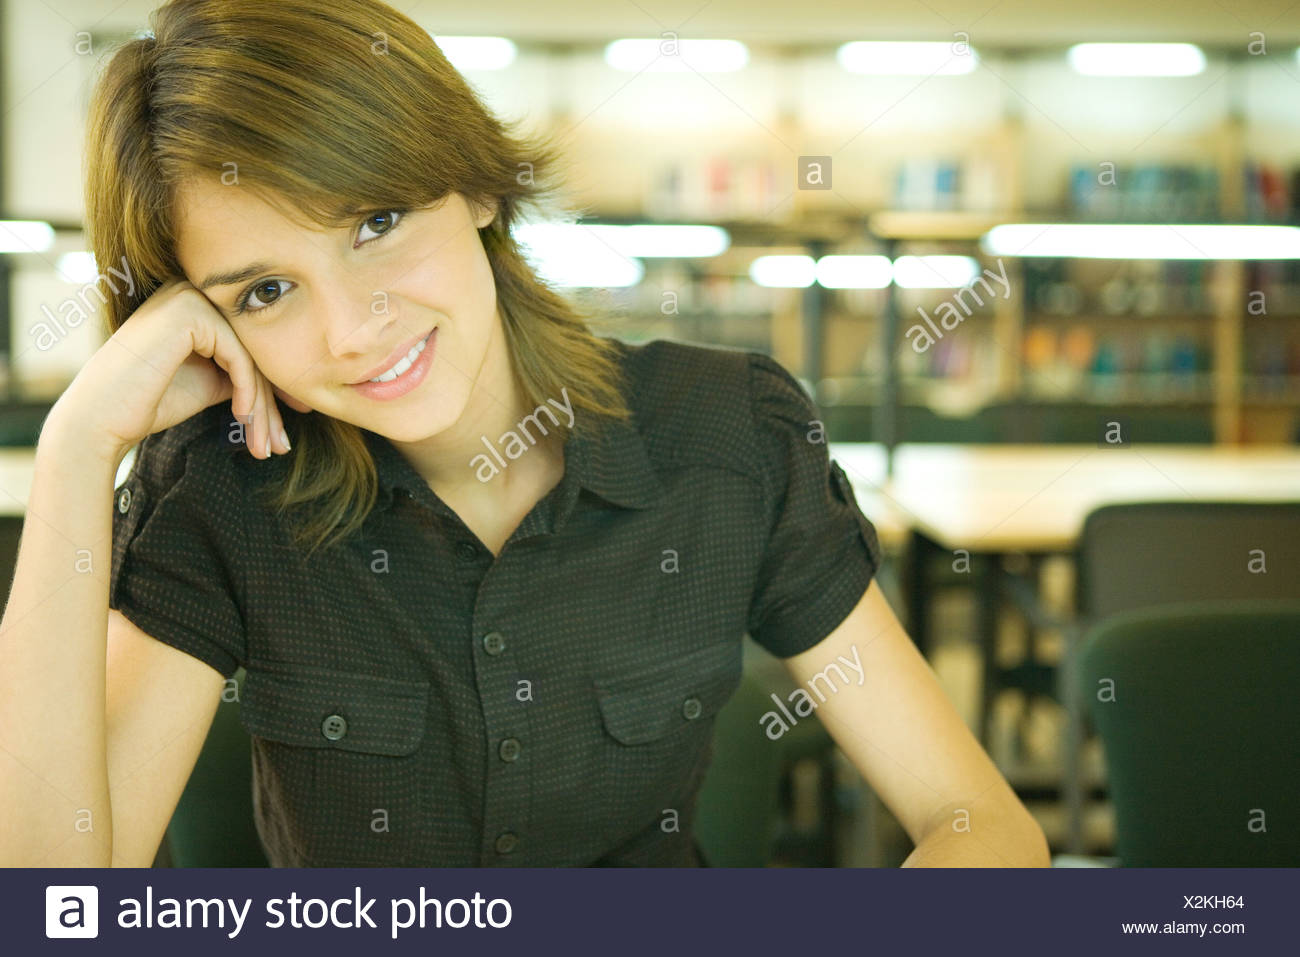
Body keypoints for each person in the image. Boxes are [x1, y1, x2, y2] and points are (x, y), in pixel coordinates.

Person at [0, 0, 1049, 868]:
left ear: (477, 185)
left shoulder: (727, 436)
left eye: (375, 223)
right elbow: (55, 903)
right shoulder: (220, 490)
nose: (352, 331)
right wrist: (79, 447)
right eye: (267, 290)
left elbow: (981, 823)